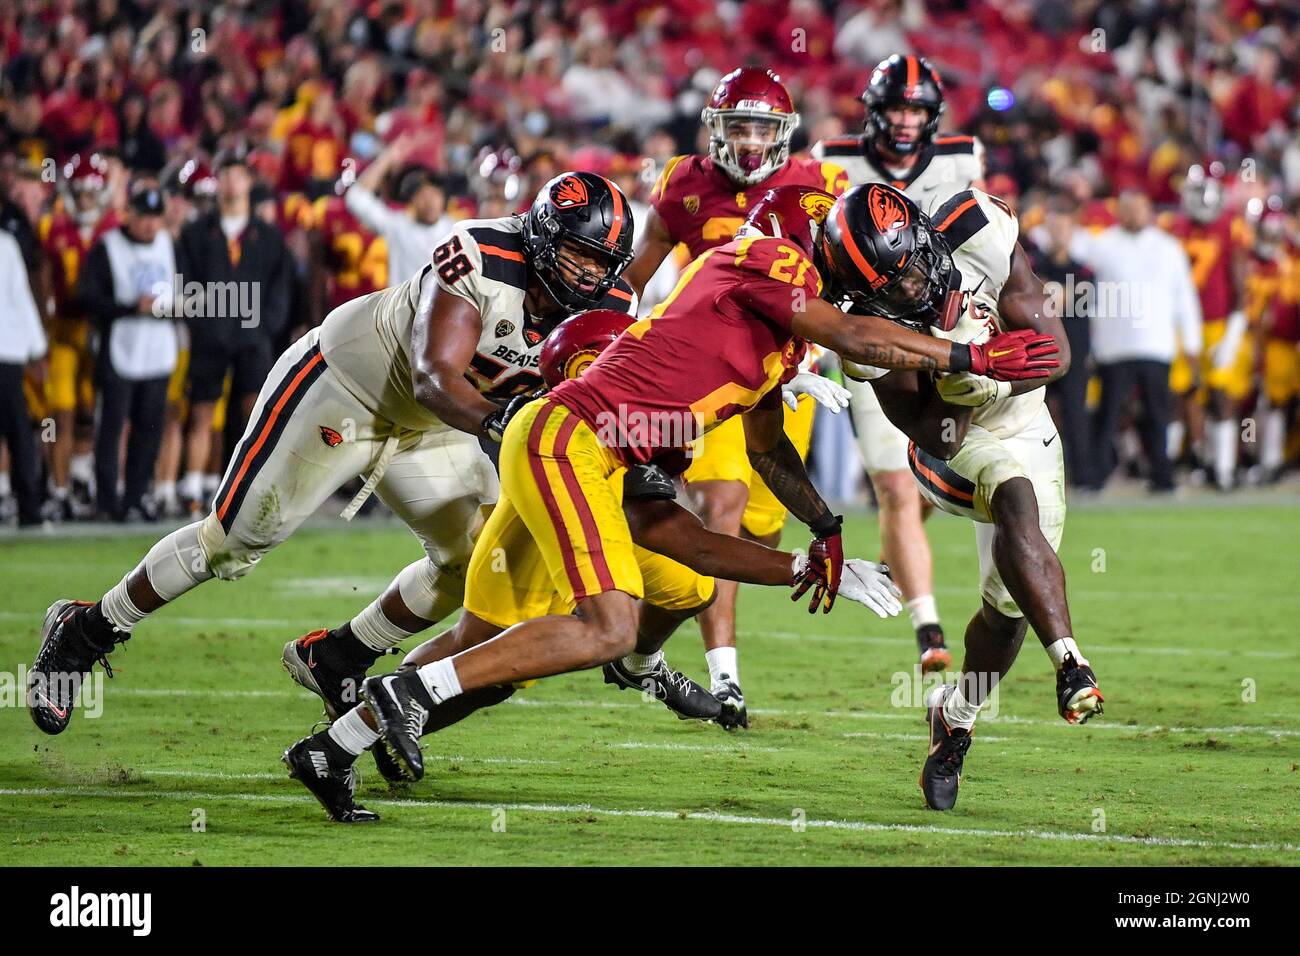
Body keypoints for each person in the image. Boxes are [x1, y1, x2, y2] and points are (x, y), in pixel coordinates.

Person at [347, 184, 1060, 785]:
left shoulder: (752, 341)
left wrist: (823, 534)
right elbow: (857, 339)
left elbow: (720, 505)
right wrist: (973, 353)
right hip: (566, 451)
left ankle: (345, 737)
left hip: (592, 466)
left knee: (546, 636)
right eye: (823, 263)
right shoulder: (762, 262)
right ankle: (406, 687)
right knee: (580, 631)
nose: (828, 281)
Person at [26, 172, 638, 738]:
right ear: (537, 236)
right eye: (577, 254)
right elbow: (433, 375)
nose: (587, 276)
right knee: (235, 541)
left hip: (436, 425)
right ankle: (88, 627)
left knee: (473, 561)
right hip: (350, 388)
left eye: (600, 263)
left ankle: (343, 652)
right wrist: (507, 426)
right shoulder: (480, 253)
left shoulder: (612, 307)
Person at [284, 307, 902, 822]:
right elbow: (683, 532)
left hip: (597, 489)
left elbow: (692, 542)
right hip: (559, 493)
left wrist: (772, 388)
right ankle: (375, 719)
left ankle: (638, 665)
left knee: (687, 590)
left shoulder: (654, 386)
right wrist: (806, 564)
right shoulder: (611, 413)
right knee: (502, 654)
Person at [826, 183, 1103, 811]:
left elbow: (1056, 350)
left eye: (909, 269)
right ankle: (1071, 663)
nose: (908, 291)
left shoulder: (979, 227)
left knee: (1005, 617)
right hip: (954, 440)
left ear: (924, 234)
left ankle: (955, 717)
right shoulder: (866, 331)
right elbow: (929, 429)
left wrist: (1008, 360)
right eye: (887, 288)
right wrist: (968, 368)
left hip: (1029, 422)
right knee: (1014, 495)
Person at [621, 66, 851, 723]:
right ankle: (727, 679)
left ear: (785, 134)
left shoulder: (821, 184)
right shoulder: (685, 183)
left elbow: (848, 276)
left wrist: (824, 353)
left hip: (786, 374)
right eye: (739, 124)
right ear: (716, 128)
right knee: (722, 505)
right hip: (711, 372)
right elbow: (635, 278)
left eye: (762, 126)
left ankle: (639, 642)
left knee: (762, 524)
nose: (750, 139)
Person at [812, 53, 986, 673]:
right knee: (892, 484)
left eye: (917, 109)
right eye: (896, 108)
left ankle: (899, 551)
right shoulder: (830, 159)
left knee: (936, 481)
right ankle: (928, 629)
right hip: (874, 336)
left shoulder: (963, 157)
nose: (907, 120)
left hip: (947, 326)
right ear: (874, 111)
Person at [175, 146, 293, 512]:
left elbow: (281, 286)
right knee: (202, 412)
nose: (231, 181)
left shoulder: (270, 237)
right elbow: (185, 282)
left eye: (238, 173)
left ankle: (251, 486)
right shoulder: (195, 233)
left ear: (248, 180)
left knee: (254, 413)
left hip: (252, 338)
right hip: (211, 336)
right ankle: (193, 489)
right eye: (224, 173)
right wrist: (201, 321)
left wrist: (266, 327)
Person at [1072, 188, 1202, 491]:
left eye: (1139, 208)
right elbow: (1076, 272)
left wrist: (1192, 344)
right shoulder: (1102, 245)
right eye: (1127, 208)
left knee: (1158, 413)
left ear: (1150, 211)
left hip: (1156, 343)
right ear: (1119, 211)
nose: (1133, 215)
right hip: (1114, 345)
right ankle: (1096, 475)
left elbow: (1185, 297)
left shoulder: (1168, 247)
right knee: (1108, 413)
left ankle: (1162, 475)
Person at [77, 181, 178, 521]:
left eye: (155, 217)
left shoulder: (169, 244)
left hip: (159, 347)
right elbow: (87, 297)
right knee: (112, 426)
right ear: (129, 215)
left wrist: (176, 307)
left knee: (149, 427)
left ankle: (136, 496)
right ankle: (107, 499)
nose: (150, 224)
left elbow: (192, 288)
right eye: (143, 216)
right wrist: (130, 306)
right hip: (122, 346)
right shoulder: (108, 247)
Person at [344, 133, 455, 284]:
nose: (429, 202)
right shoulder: (398, 226)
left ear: (443, 197)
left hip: (443, 307)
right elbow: (356, 197)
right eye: (422, 195)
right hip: (404, 307)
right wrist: (388, 157)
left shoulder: (456, 230)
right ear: (411, 200)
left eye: (434, 194)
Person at [0, 227, 47, 527]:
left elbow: (20, 298)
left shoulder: (6, 244)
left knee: (19, 432)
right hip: (8, 353)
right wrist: (37, 347)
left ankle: (29, 507)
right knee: (20, 433)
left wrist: (37, 347)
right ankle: (29, 508)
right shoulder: (6, 244)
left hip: (6, 352)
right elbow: (21, 298)